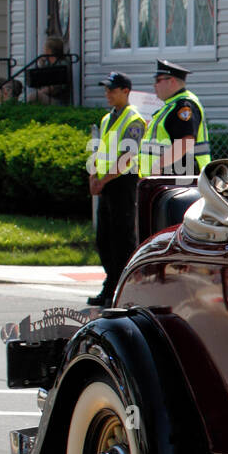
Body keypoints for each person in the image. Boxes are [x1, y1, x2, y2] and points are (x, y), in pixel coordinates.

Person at [88, 72, 146, 307]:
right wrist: (94, 176)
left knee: (122, 238)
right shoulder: (106, 119)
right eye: (106, 90)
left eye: (112, 90)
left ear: (126, 91)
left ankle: (121, 288)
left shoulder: (134, 120)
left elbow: (127, 156)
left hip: (123, 182)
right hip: (106, 183)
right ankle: (111, 283)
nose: (108, 94)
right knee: (104, 238)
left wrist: (103, 180)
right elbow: (100, 150)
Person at [137, 59, 211, 178]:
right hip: (167, 179)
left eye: (158, 80)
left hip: (179, 180)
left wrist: (159, 165)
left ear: (171, 81)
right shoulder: (171, 106)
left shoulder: (184, 105)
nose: (154, 85)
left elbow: (186, 140)